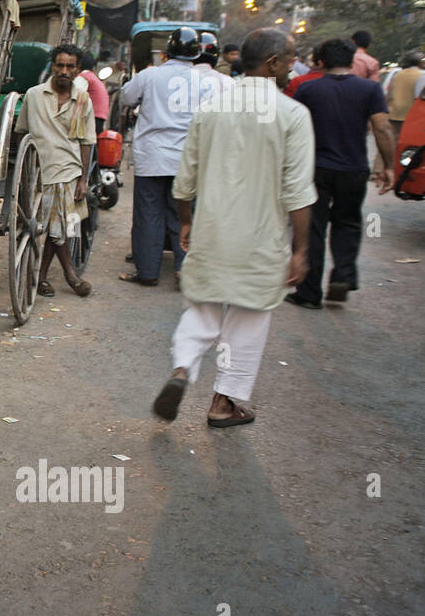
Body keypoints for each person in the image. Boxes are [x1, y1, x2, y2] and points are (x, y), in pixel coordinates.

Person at [152, 28, 315, 428]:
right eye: (290, 58)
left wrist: (186, 220)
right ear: (273, 62)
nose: (294, 65)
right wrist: (301, 249)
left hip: (213, 231)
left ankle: (182, 368)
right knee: (250, 317)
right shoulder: (293, 114)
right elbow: (297, 192)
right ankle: (223, 403)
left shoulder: (212, 108)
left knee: (202, 307)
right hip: (262, 240)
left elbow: (184, 178)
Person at [286, 38, 396, 309]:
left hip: (315, 168)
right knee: (348, 223)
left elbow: (292, 129)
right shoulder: (370, 89)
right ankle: (344, 276)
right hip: (354, 168)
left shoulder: (308, 89)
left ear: (320, 62)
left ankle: (309, 293)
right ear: (351, 62)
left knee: (314, 227)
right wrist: (389, 165)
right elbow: (382, 128)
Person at [119, 26, 200, 286]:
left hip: (153, 156)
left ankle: (148, 273)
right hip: (187, 158)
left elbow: (126, 98)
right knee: (182, 215)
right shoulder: (203, 80)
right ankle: (182, 271)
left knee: (148, 215)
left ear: (167, 52)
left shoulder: (150, 75)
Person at [16, 44, 95, 298]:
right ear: (52, 66)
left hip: (69, 170)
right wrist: (23, 171)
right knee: (56, 227)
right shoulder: (34, 95)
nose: (64, 71)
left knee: (58, 225)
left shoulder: (83, 100)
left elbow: (86, 141)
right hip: (40, 170)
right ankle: (60, 275)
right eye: (60, 65)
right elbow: (21, 134)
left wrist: (83, 178)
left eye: (70, 67)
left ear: (78, 70)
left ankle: (59, 274)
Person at [76, 48, 110, 133]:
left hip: (91, 120)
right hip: (99, 120)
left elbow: (74, 95)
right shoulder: (93, 78)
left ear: (78, 65)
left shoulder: (83, 77)